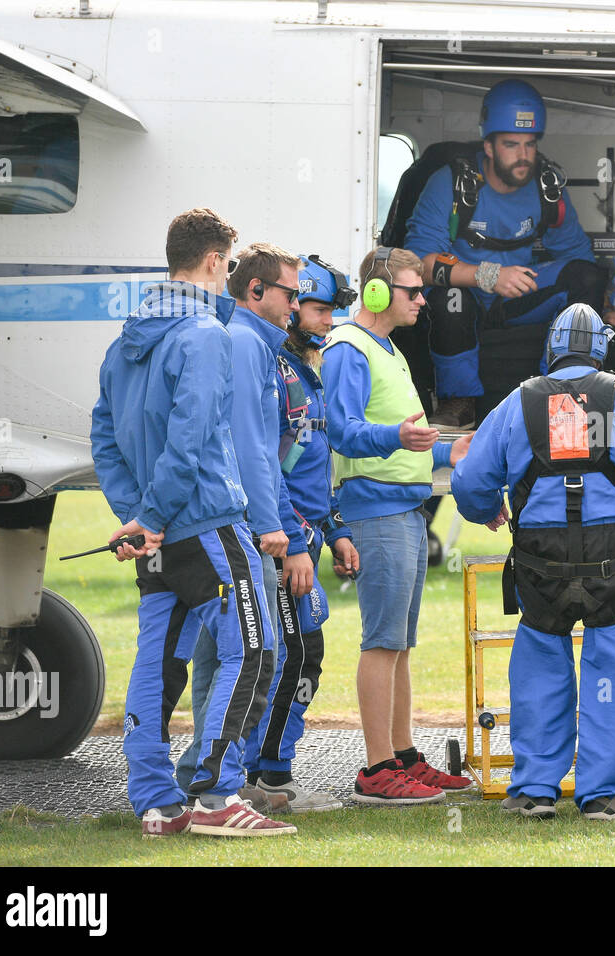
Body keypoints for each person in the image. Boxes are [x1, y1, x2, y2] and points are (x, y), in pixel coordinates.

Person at [451, 304, 615, 820]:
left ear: (551, 348)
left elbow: (470, 483)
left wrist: (488, 511)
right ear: (601, 351)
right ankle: (604, 795)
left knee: (540, 663)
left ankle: (533, 791)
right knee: (611, 662)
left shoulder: (517, 402)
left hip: (539, 557)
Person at [90, 208, 293, 837]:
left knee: (158, 665)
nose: (230, 274)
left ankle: (156, 801)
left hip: (158, 536)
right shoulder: (204, 334)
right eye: (229, 264)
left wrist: (138, 517)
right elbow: (193, 436)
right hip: (206, 523)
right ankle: (214, 797)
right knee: (254, 649)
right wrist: (149, 515)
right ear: (212, 262)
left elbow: (104, 438)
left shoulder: (123, 344)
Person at [323, 245, 474, 803]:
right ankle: (376, 770)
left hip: (403, 508)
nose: (422, 300)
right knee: (383, 641)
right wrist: (402, 439)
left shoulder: (386, 348)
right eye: (414, 291)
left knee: (400, 643)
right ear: (379, 292)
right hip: (377, 510)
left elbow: (403, 444)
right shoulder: (349, 349)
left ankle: (403, 758)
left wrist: (449, 453)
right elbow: (341, 432)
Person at [173, 243, 307, 808]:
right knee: (252, 653)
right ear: (255, 290)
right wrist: (272, 526)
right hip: (243, 525)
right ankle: (209, 780)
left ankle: (198, 775)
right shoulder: (250, 343)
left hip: (225, 518)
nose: (296, 307)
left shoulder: (244, 339)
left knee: (219, 653)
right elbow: (253, 445)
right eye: (290, 294)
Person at [405, 79, 608, 428]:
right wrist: (489, 276)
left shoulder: (547, 187)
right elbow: (417, 265)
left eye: (530, 145)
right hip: (466, 296)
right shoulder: (450, 182)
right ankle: (459, 403)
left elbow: (577, 256)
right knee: (449, 297)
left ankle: (562, 390)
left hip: (516, 297)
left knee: (587, 278)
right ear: (488, 146)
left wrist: (602, 311)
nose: (523, 156)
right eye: (511, 145)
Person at [247, 254, 364, 812]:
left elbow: (314, 466)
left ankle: (265, 772)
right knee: (293, 654)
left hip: (305, 539)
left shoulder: (308, 373)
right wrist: (295, 544)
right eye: (317, 308)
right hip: (281, 543)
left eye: (328, 309)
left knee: (293, 653)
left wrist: (334, 529)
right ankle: (268, 779)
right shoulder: (278, 372)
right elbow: (269, 469)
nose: (325, 319)